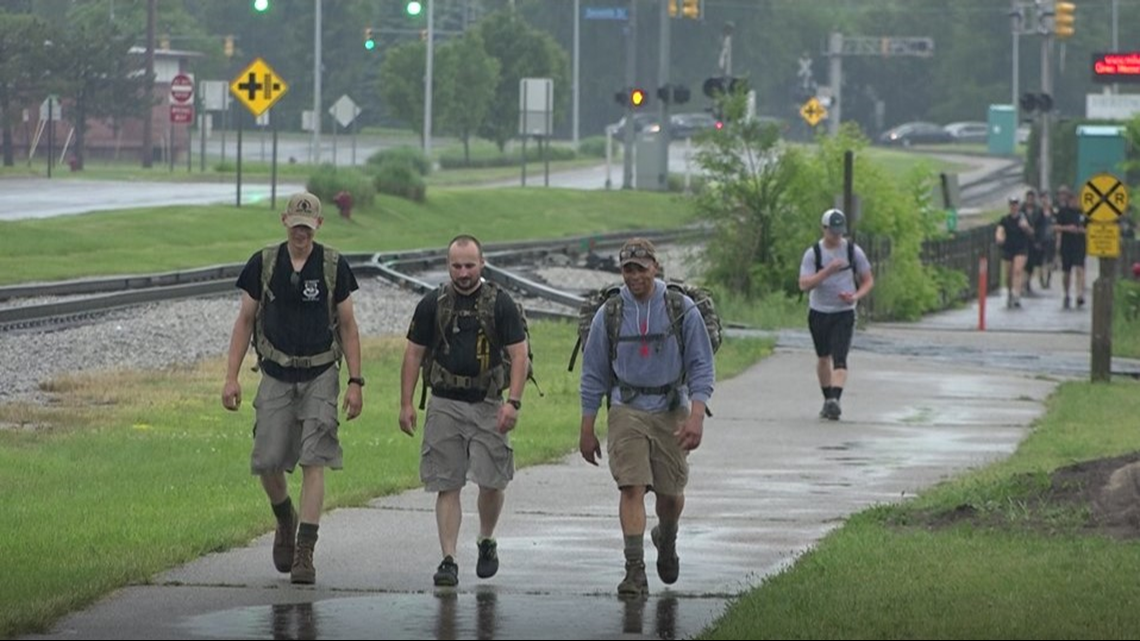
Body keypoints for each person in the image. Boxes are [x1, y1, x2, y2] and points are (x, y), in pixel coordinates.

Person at [221, 191, 364, 585]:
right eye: (295, 225)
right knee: (267, 461)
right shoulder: (264, 263)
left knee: (314, 459)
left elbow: (349, 326)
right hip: (276, 373)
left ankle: (305, 550)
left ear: (318, 225)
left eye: (308, 226)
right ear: (285, 221)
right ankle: (285, 516)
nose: (301, 232)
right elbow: (244, 321)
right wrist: (231, 377)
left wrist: (355, 381)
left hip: (320, 374)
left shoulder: (334, 266)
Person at [578, 237, 716, 598]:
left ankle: (666, 538)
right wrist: (587, 426)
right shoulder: (609, 313)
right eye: (628, 269)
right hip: (626, 408)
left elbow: (701, 364)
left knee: (670, 493)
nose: (634, 276)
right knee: (631, 486)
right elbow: (593, 372)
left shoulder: (680, 307)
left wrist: (697, 414)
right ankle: (634, 571)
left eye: (641, 268)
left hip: (671, 408)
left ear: (655, 267)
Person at [398, 234, 529, 588]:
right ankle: (448, 559)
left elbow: (520, 355)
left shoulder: (501, 304)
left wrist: (513, 403)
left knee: (491, 481)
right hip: (444, 402)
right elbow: (413, 353)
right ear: (448, 266)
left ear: (482, 264)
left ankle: (486, 539)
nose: (463, 272)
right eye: (456, 265)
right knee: (447, 483)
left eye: (470, 265)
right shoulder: (432, 303)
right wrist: (406, 403)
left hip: (488, 404)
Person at [797, 209, 875, 421]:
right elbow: (804, 284)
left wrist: (855, 296)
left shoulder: (852, 251)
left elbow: (868, 279)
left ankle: (835, 400)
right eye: (833, 232)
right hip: (819, 312)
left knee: (840, 358)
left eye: (840, 232)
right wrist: (827, 271)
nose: (837, 236)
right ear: (824, 229)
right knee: (823, 357)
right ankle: (828, 399)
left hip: (844, 313)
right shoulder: (814, 254)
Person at [996, 195, 1033, 308]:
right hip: (1008, 248)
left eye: (1016, 204)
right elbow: (1000, 230)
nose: (1014, 207)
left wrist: (1026, 227)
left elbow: (1031, 232)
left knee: (1017, 270)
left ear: (1018, 206)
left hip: (1021, 248)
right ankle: (1010, 292)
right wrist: (999, 238)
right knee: (1008, 274)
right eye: (1012, 204)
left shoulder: (1024, 218)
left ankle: (1016, 294)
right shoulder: (1005, 219)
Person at [1053, 185, 1087, 309]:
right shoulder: (1063, 212)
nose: (1076, 203)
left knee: (1080, 269)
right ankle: (1067, 293)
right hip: (1067, 245)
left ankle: (1080, 294)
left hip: (1080, 244)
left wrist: (1083, 230)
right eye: (1073, 200)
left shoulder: (1084, 213)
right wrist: (1067, 228)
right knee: (1067, 272)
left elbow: (1091, 229)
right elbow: (1056, 227)